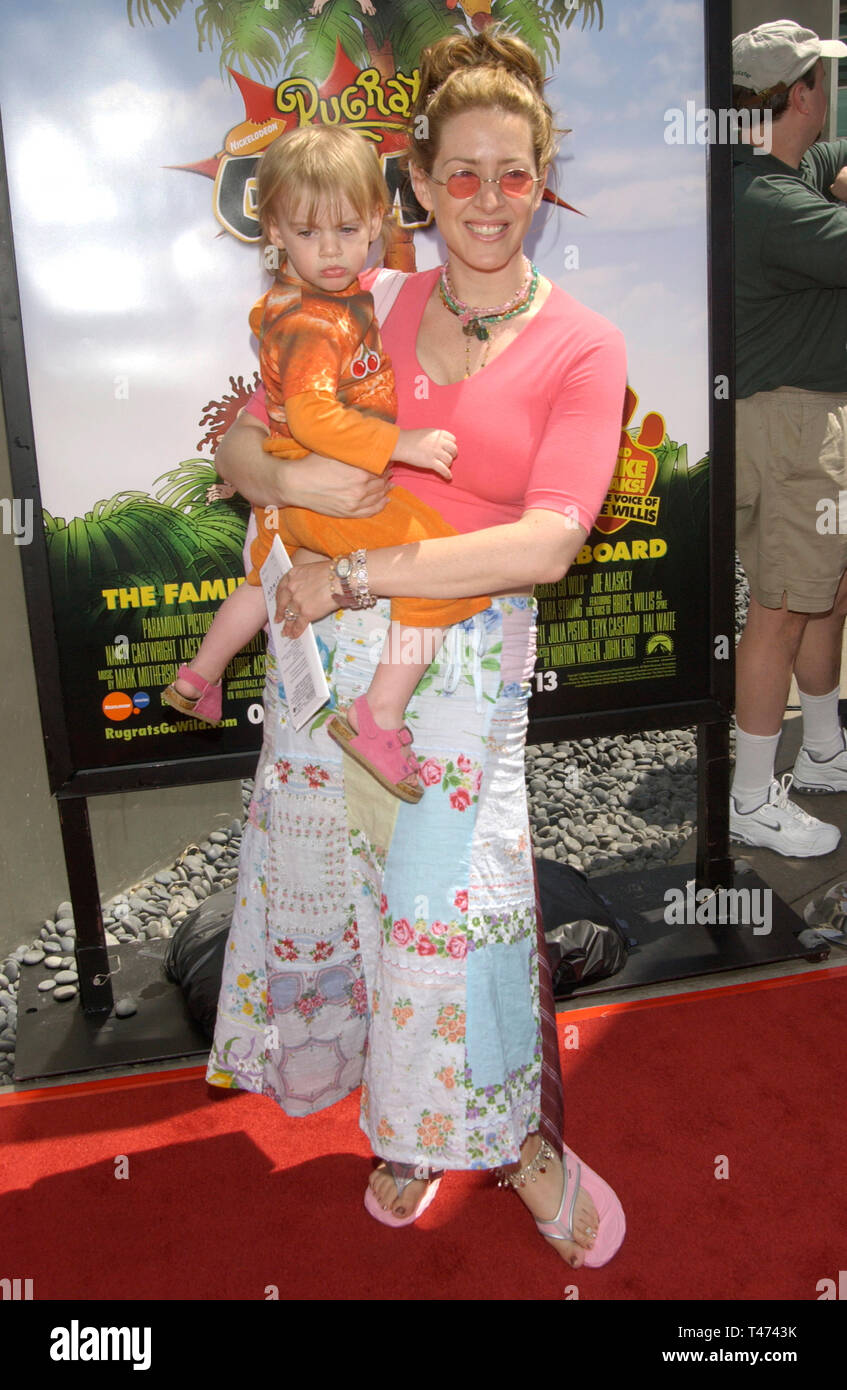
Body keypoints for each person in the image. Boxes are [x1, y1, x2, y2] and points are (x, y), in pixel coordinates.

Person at [205, 27, 628, 1270]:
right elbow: (235, 431)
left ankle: (518, 1142)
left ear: (540, 181)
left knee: (465, 909)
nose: (487, 201)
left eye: (513, 174)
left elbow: (546, 544)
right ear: (423, 185)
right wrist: (286, 484)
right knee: (359, 892)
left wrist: (361, 566)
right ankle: (405, 1120)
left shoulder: (583, 343)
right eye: (461, 174)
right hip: (326, 646)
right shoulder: (364, 296)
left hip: (456, 647)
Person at [162, 124, 490, 802]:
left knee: (258, 587)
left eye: (345, 229)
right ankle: (380, 713)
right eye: (309, 234)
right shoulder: (317, 319)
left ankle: (200, 674)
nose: (332, 250)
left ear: (376, 219)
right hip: (322, 499)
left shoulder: (317, 303)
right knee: (445, 569)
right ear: (275, 231)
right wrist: (396, 444)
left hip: (290, 520)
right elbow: (304, 417)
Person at [730, 19, 847, 857]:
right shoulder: (771, 207)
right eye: (822, 79)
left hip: (801, 423)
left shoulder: (770, 172)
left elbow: (823, 161)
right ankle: (749, 795)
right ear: (802, 92)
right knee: (777, 608)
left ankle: (823, 750)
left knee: (820, 589)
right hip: (791, 428)